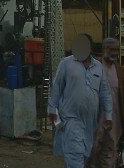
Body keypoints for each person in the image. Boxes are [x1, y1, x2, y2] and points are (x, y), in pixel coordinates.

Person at [48, 34, 113, 168]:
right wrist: (51, 109)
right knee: (75, 154)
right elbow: (57, 87)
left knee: (85, 154)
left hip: (90, 123)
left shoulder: (98, 67)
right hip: (71, 119)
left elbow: (105, 93)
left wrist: (108, 115)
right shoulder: (66, 63)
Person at [87, 37, 124, 168]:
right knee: (91, 149)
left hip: (114, 119)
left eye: (117, 50)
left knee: (110, 150)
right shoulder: (93, 67)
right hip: (95, 117)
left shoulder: (121, 72)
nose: (115, 53)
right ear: (104, 50)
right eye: (112, 49)